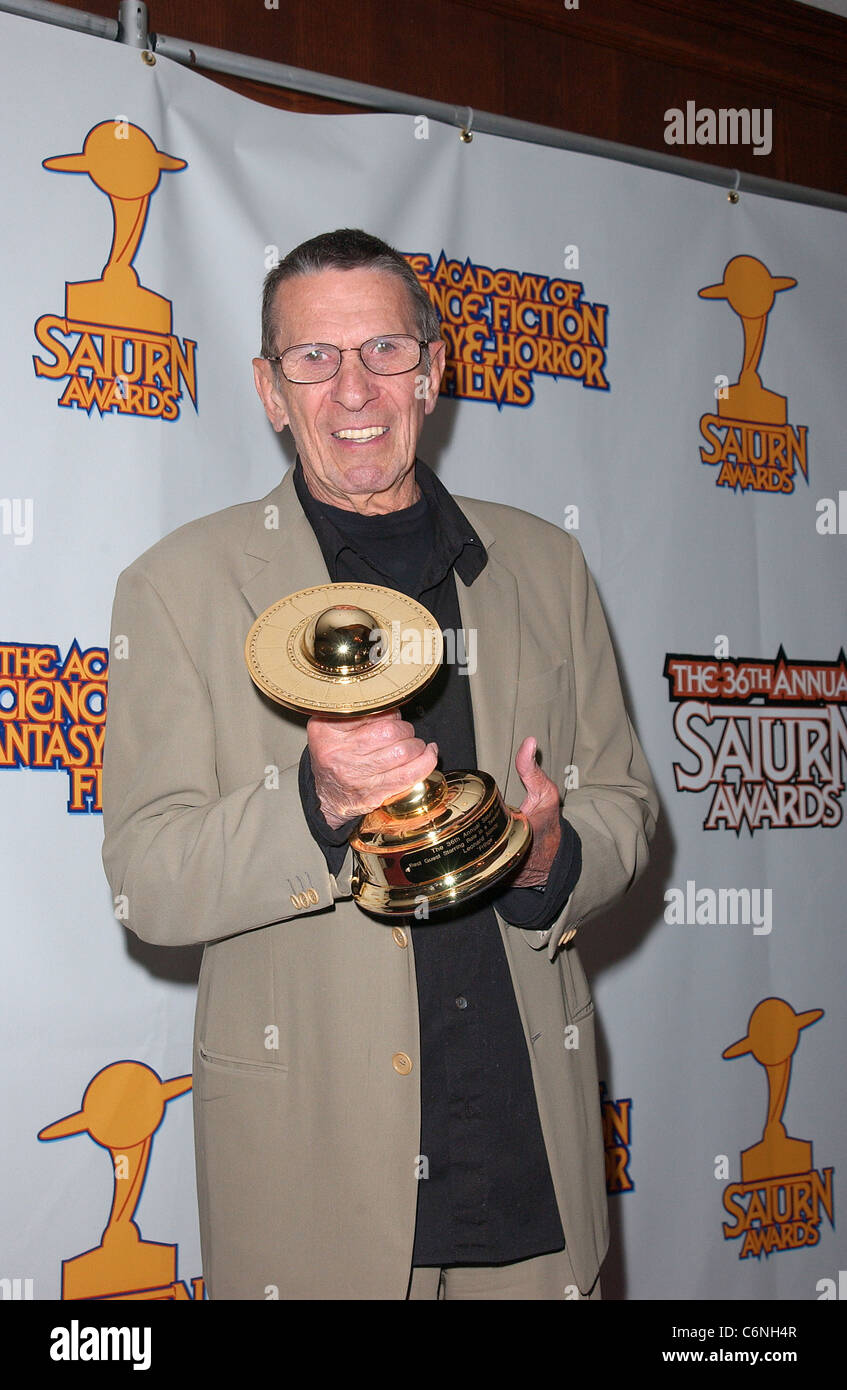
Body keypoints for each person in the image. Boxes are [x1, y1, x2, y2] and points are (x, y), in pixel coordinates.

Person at [102, 228, 657, 1301]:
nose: (353, 387)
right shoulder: (177, 585)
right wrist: (313, 802)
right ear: (270, 390)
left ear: (435, 371)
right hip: (315, 1177)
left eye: (387, 351)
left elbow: (626, 805)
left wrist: (551, 852)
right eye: (314, 358)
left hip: (526, 1146)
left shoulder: (547, 563)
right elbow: (148, 879)